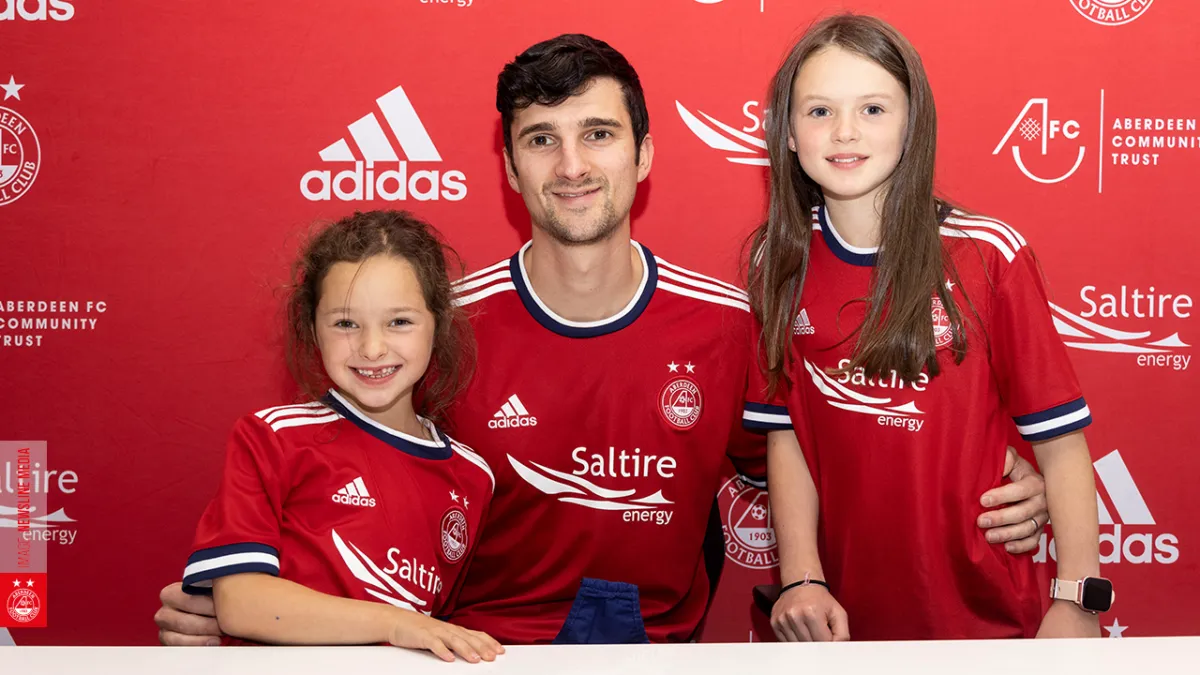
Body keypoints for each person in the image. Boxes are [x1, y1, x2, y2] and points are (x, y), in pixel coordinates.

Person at [156, 33, 1051, 647]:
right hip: (473, 652)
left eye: (598, 134)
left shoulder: (728, 323)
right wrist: (243, 599)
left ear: (644, 154)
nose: (573, 166)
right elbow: (338, 473)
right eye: (541, 140)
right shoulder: (436, 327)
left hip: (657, 651)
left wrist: (1006, 472)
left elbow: (821, 450)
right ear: (509, 168)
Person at [747, 14, 1105, 642]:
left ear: (914, 123)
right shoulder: (777, 261)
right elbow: (788, 434)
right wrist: (802, 577)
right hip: (844, 622)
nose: (845, 131)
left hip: (991, 618)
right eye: (820, 111)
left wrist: (1077, 600)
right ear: (788, 133)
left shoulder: (987, 255)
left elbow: (1060, 442)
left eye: (873, 109)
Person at [180, 210, 503, 662]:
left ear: (439, 324)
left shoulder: (473, 476)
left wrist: (417, 627)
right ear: (312, 329)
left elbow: (444, 627)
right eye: (346, 324)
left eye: (399, 322)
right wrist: (395, 622)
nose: (372, 348)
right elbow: (241, 604)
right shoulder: (273, 438)